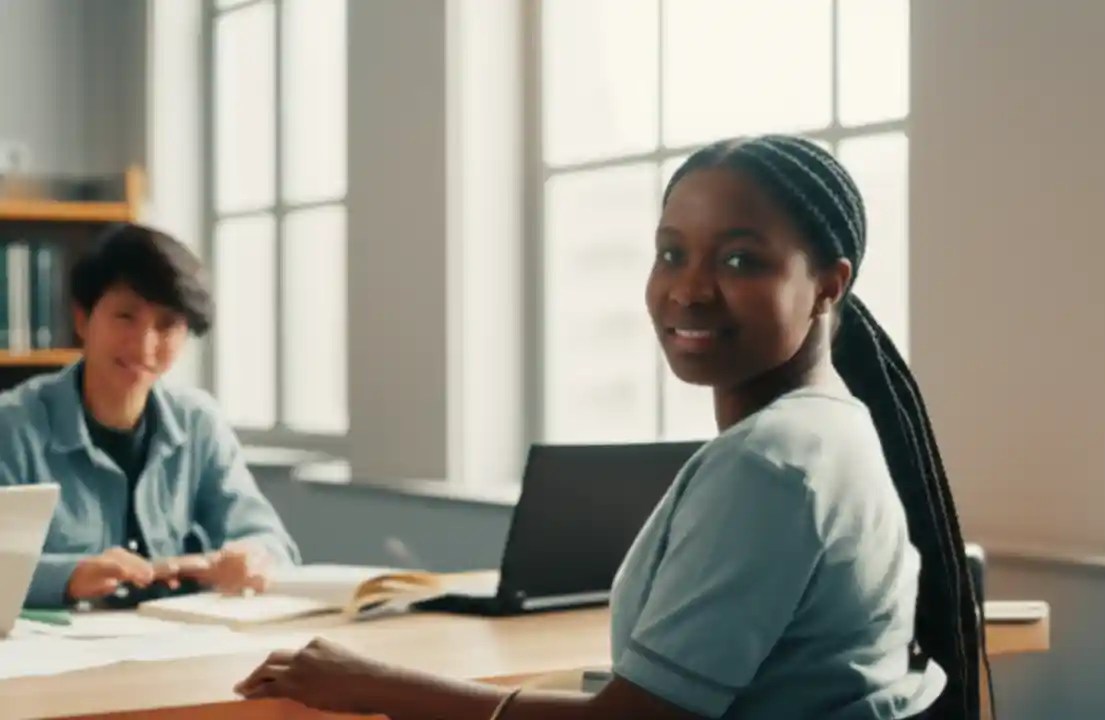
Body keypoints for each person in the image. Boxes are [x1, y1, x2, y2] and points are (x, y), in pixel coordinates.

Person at [234, 135, 981, 719]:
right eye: (671, 253)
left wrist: (375, 684)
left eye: (739, 259)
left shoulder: (770, 463)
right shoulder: (835, 426)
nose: (689, 288)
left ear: (827, 285)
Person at [0, 223, 299, 608]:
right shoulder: (13, 426)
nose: (144, 346)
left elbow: (270, 541)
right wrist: (69, 577)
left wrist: (252, 558)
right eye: (126, 317)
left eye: (167, 324)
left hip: (179, 637)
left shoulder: (198, 423)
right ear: (82, 319)